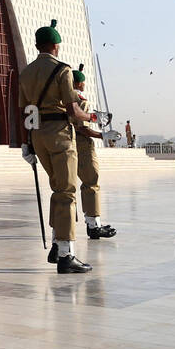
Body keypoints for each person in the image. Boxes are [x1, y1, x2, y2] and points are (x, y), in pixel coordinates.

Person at [18, 20, 94, 274]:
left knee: (57, 189)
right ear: (55, 46)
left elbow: (24, 111)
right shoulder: (63, 70)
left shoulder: (26, 72)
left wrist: (25, 142)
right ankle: (66, 253)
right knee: (67, 192)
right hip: (60, 133)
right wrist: (90, 118)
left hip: (38, 136)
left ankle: (56, 241)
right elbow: (72, 109)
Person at [72, 63, 117, 240]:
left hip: (68, 144)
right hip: (82, 145)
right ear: (80, 83)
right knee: (91, 183)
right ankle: (94, 225)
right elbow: (82, 128)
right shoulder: (80, 101)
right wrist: (102, 135)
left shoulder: (64, 99)